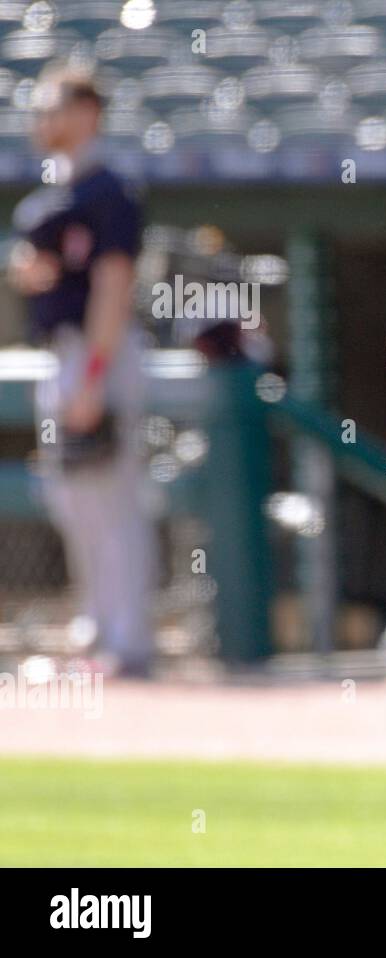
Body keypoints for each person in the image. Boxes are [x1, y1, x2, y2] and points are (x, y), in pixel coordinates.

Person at [6, 64, 157, 679]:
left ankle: (128, 643)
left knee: (112, 498)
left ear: (88, 112)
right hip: (63, 352)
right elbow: (41, 262)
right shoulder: (53, 195)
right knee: (72, 498)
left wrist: (93, 376)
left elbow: (113, 286)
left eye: (54, 108)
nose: (42, 120)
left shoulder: (108, 192)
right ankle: (96, 631)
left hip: (102, 351)